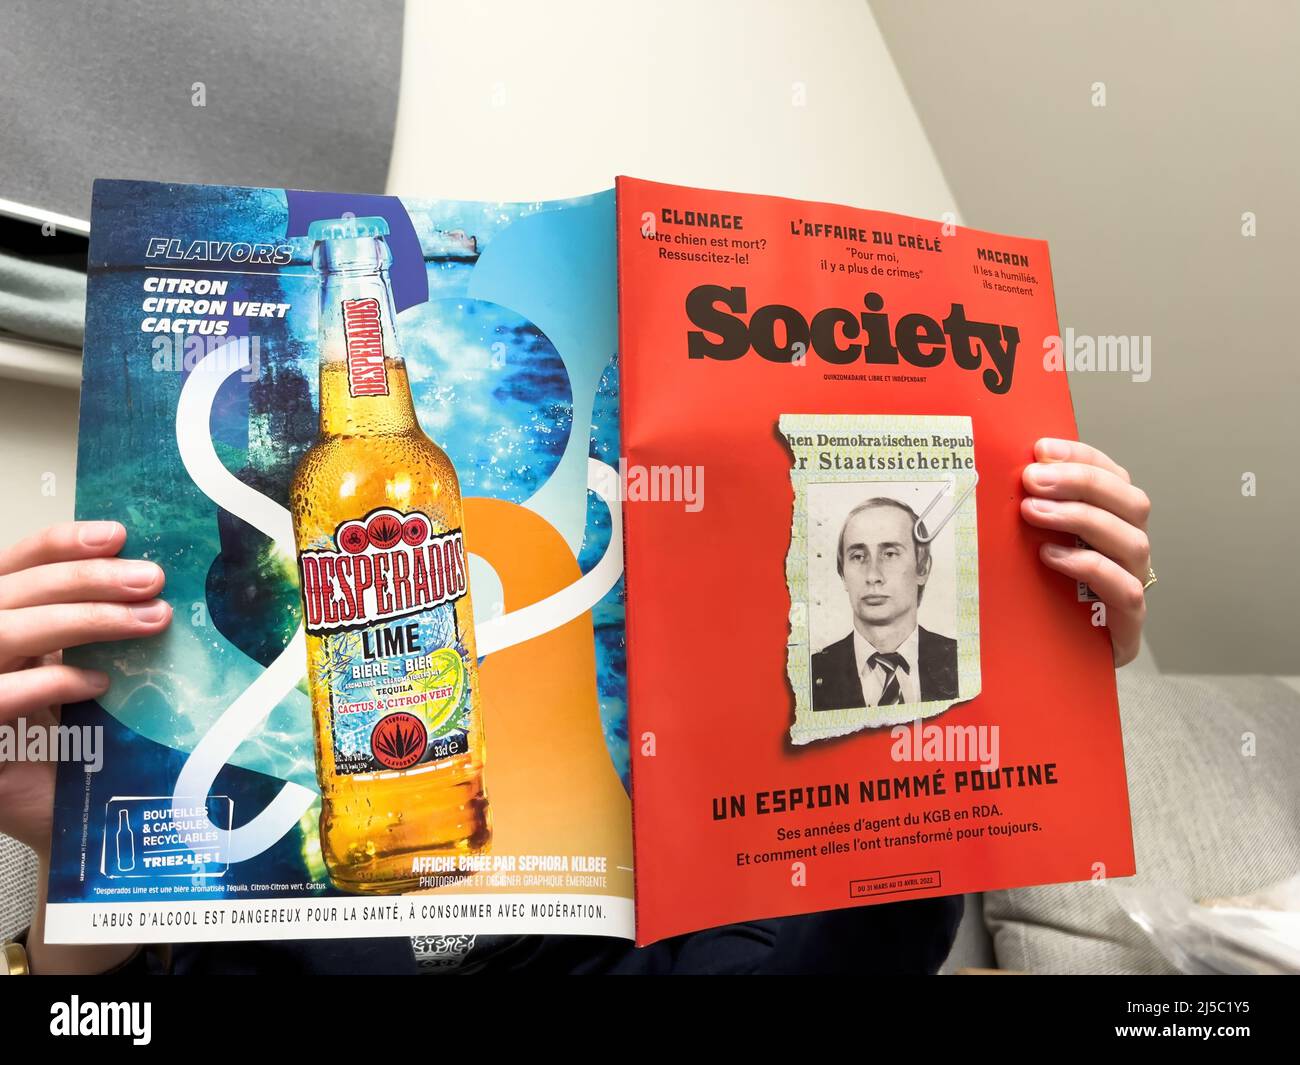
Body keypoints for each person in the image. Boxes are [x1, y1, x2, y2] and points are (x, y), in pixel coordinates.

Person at [0, 438, 1151, 975]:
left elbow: (876, 927)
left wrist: (1043, 665)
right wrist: (69, 850)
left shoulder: (786, 788)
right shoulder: (275, 790)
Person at [812, 496, 958, 709]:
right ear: (843, 574)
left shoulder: (960, 661)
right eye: (858, 556)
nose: (872, 575)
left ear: (922, 568)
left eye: (889, 554)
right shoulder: (812, 674)